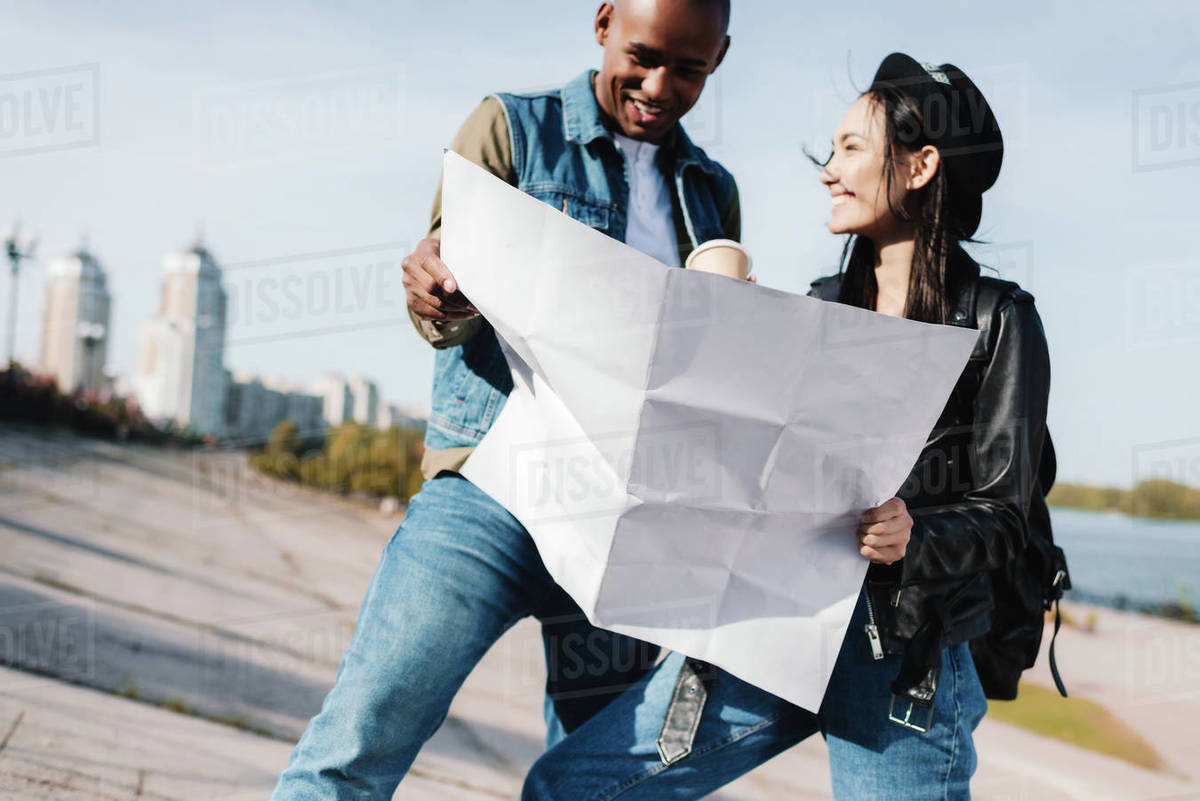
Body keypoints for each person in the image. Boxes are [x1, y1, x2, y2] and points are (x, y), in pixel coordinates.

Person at [520, 53, 1052, 801]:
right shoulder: (817, 303)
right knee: (568, 788)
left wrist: (916, 536)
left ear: (922, 164)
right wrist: (721, 343)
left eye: (853, 149)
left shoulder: (1000, 320)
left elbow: (1006, 514)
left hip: (902, 657)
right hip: (773, 622)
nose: (830, 170)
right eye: (831, 150)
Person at [270, 1, 745, 797]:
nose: (659, 85)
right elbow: (440, 293)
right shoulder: (509, 130)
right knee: (359, 738)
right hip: (489, 491)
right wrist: (438, 294)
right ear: (602, 23)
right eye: (643, 55)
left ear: (720, 57)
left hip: (623, 533)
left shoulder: (711, 195)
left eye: (688, 68)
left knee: (590, 785)